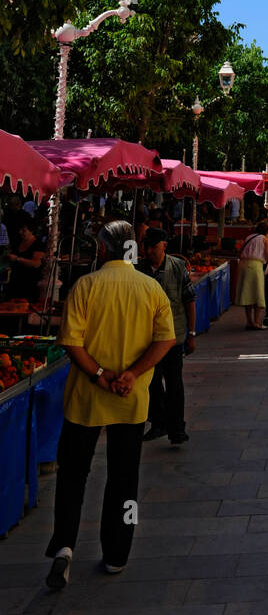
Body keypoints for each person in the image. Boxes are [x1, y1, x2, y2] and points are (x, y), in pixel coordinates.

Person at [44, 221, 175, 589]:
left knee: (73, 474)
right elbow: (166, 340)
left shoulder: (85, 286)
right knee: (123, 477)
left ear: (104, 249)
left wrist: (100, 375)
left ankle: (64, 546)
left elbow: (71, 342)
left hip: (86, 400)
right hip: (130, 402)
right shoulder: (151, 288)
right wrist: (132, 375)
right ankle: (116, 553)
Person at [136, 229, 196, 445]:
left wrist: (191, 334)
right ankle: (158, 422)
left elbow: (189, 300)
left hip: (173, 337)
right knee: (151, 382)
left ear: (164, 245)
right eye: (147, 246)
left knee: (174, 384)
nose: (150, 250)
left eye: (155, 246)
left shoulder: (178, 267)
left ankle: (177, 428)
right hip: (147, 338)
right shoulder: (138, 269)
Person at [236, 219, 268, 330]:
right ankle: (256, 321)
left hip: (243, 265)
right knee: (258, 294)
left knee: (248, 294)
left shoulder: (249, 237)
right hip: (255, 266)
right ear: (267, 231)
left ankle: (249, 321)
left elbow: (240, 251)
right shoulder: (265, 239)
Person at [6, 218, 46, 300]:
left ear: (31, 231)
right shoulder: (18, 242)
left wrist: (18, 259)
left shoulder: (37, 244)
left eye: (24, 230)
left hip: (29, 282)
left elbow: (36, 264)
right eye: (20, 230)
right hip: (15, 281)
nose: (20, 232)